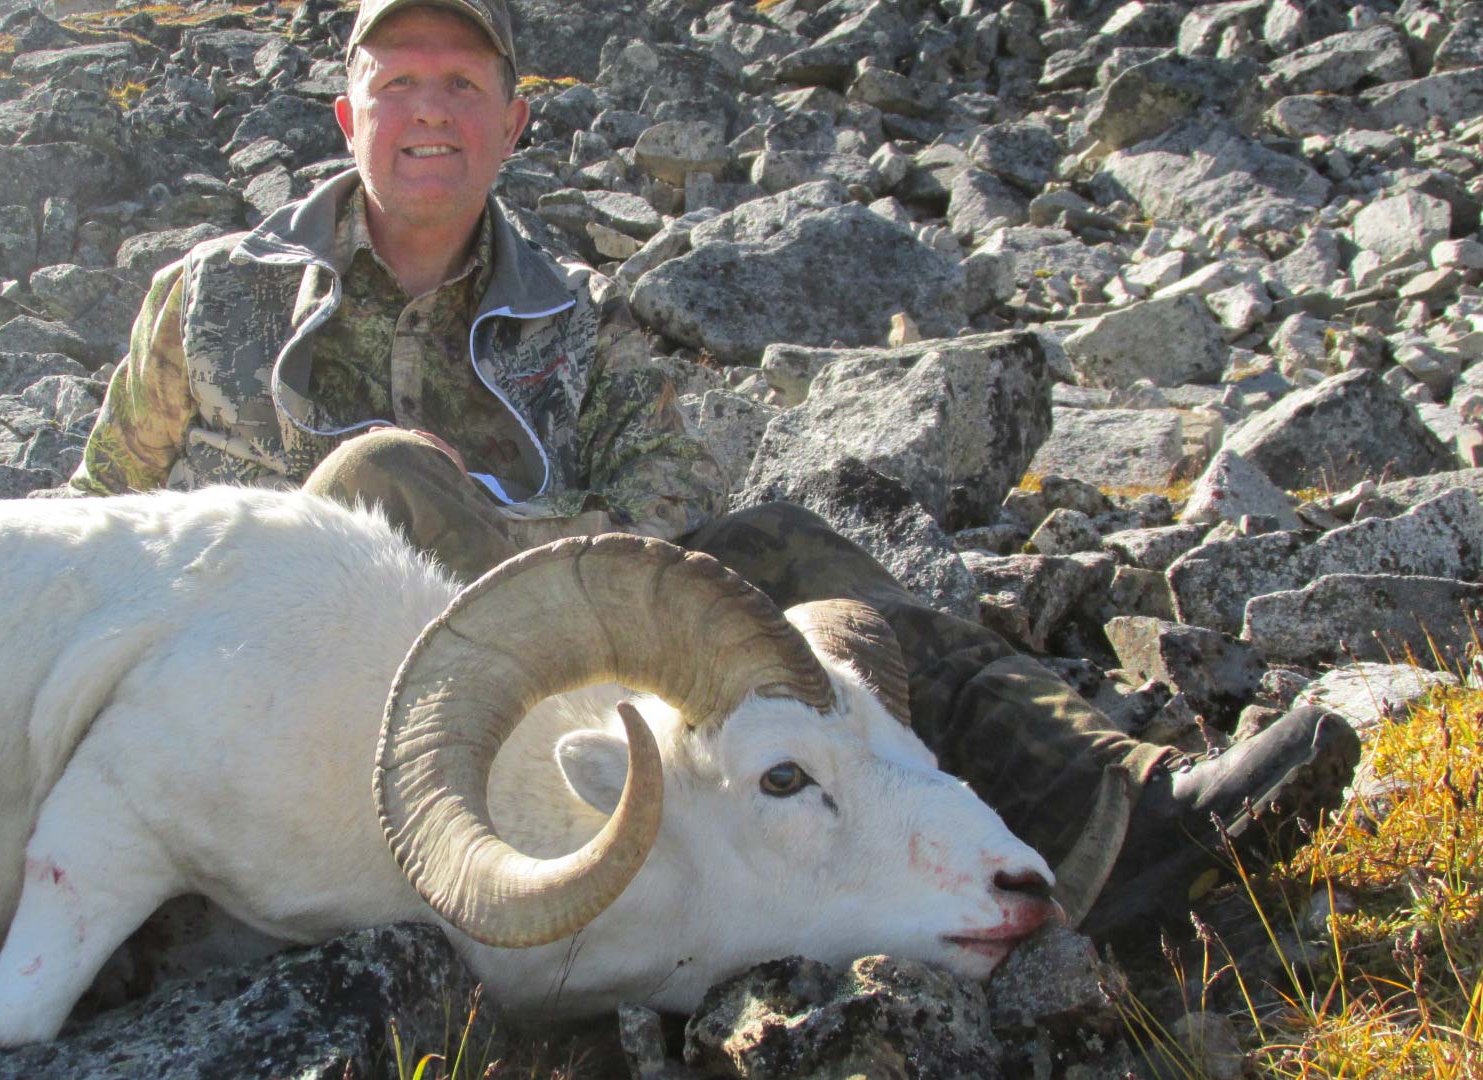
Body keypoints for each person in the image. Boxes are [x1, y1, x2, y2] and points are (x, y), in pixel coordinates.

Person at [70, 0, 1360, 939]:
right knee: (380, 481)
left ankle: (1118, 825)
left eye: (463, 84)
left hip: (515, 698)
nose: (428, 109)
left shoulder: (576, 321)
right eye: (397, 79)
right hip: (259, 682)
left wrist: (520, 554)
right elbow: (95, 516)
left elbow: (675, 512)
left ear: (514, 123)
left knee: (790, 554)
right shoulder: (210, 298)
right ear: (348, 113)